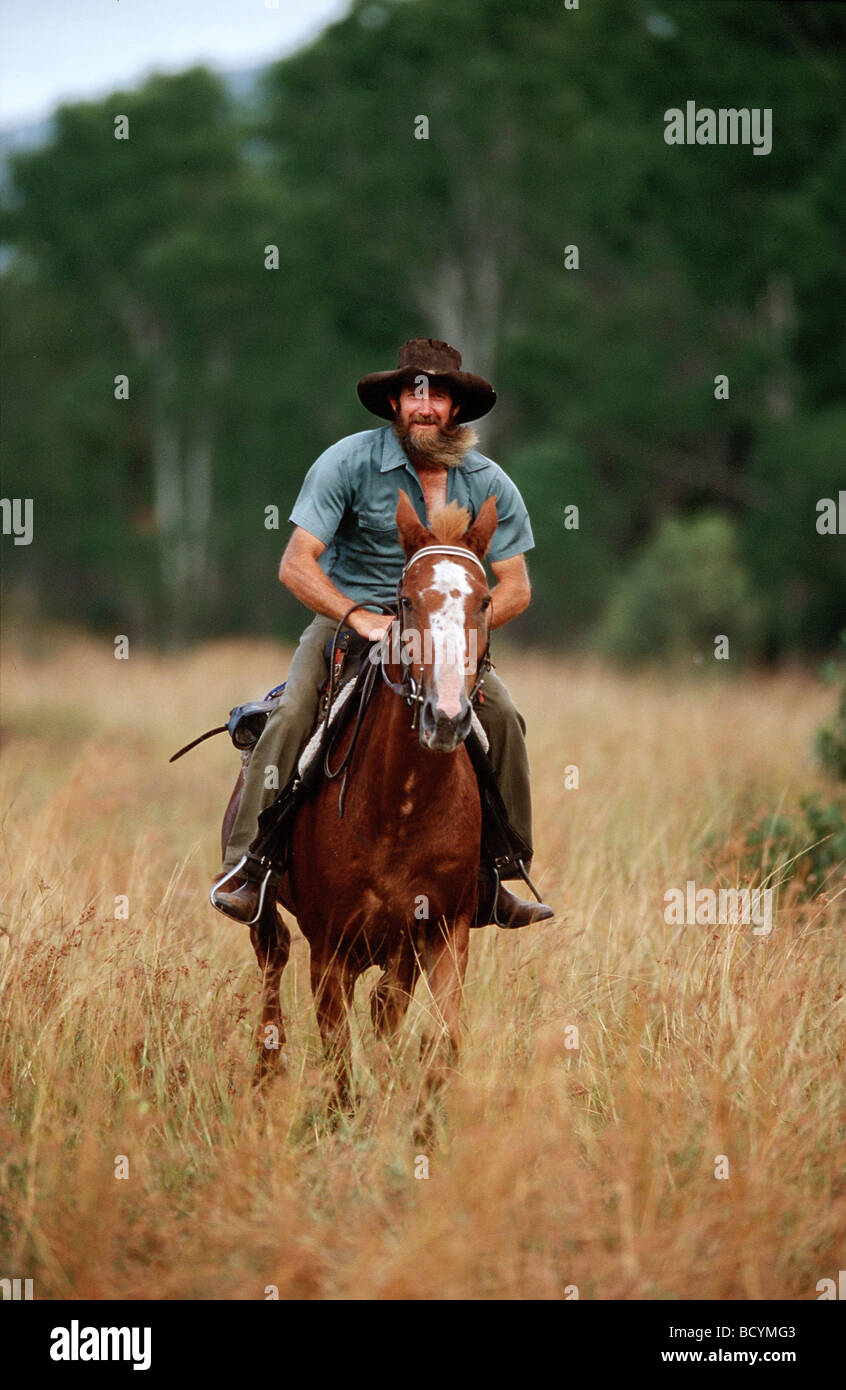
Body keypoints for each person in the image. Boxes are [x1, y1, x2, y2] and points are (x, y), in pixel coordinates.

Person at [211, 338, 555, 928]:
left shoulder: (489, 480)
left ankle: (501, 872)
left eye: (439, 396)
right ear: (395, 401)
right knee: (293, 712)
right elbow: (297, 563)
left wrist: (454, 630)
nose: (426, 407)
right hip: (349, 623)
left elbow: (516, 587)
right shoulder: (346, 462)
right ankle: (250, 867)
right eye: (415, 394)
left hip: (444, 637)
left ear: (455, 409)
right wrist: (358, 616)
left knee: (505, 718)